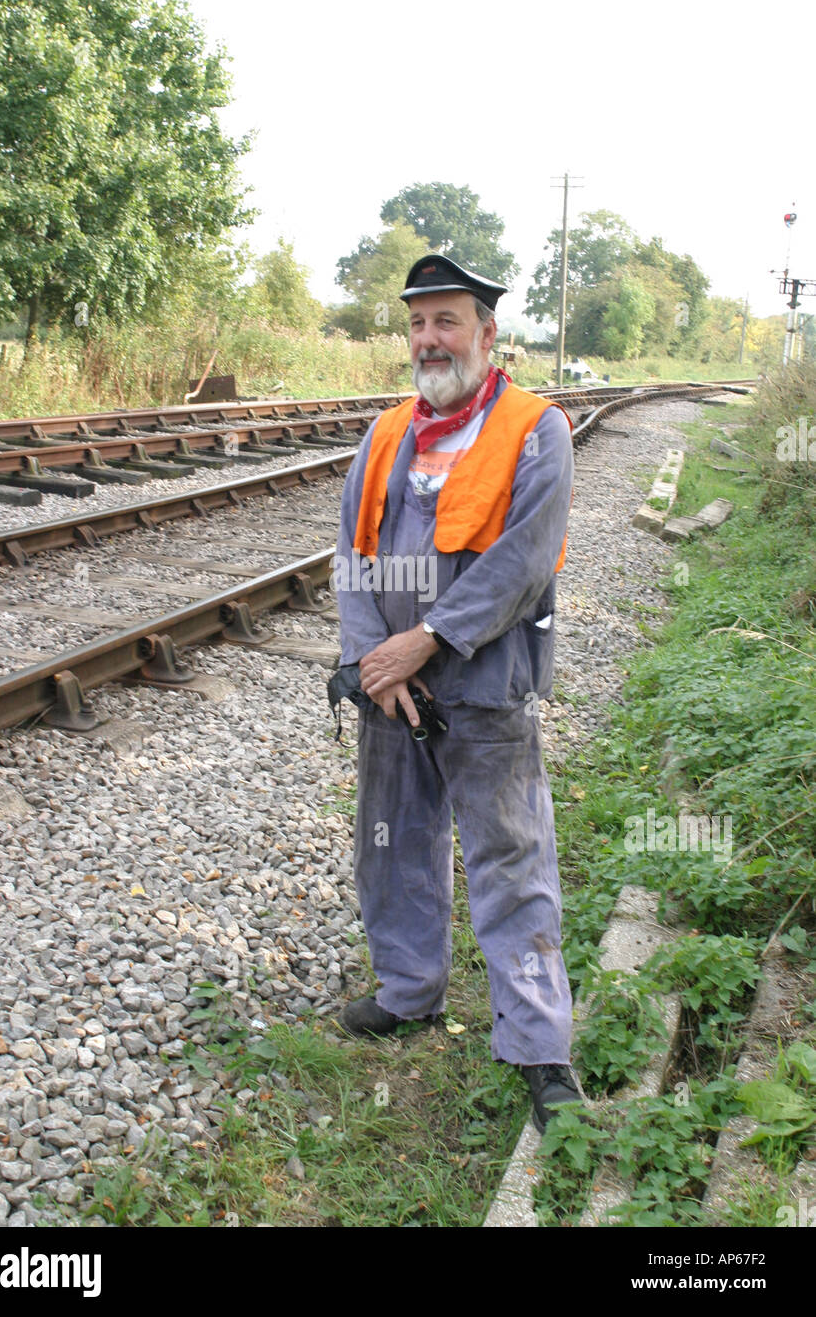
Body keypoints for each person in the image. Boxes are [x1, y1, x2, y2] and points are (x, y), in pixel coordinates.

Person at [332, 252, 584, 1132]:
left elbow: (523, 563)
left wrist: (424, 642)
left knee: (511, 864)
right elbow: (353, 554)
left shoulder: (534, 429)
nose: (429, 340)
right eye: (417, 324)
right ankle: (409, 993)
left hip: (483, 689)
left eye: (447, 321)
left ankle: (540, 1049)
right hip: (392, 697)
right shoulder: (387, 433)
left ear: (486, 333)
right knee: (394, 845)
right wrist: (372, 658)